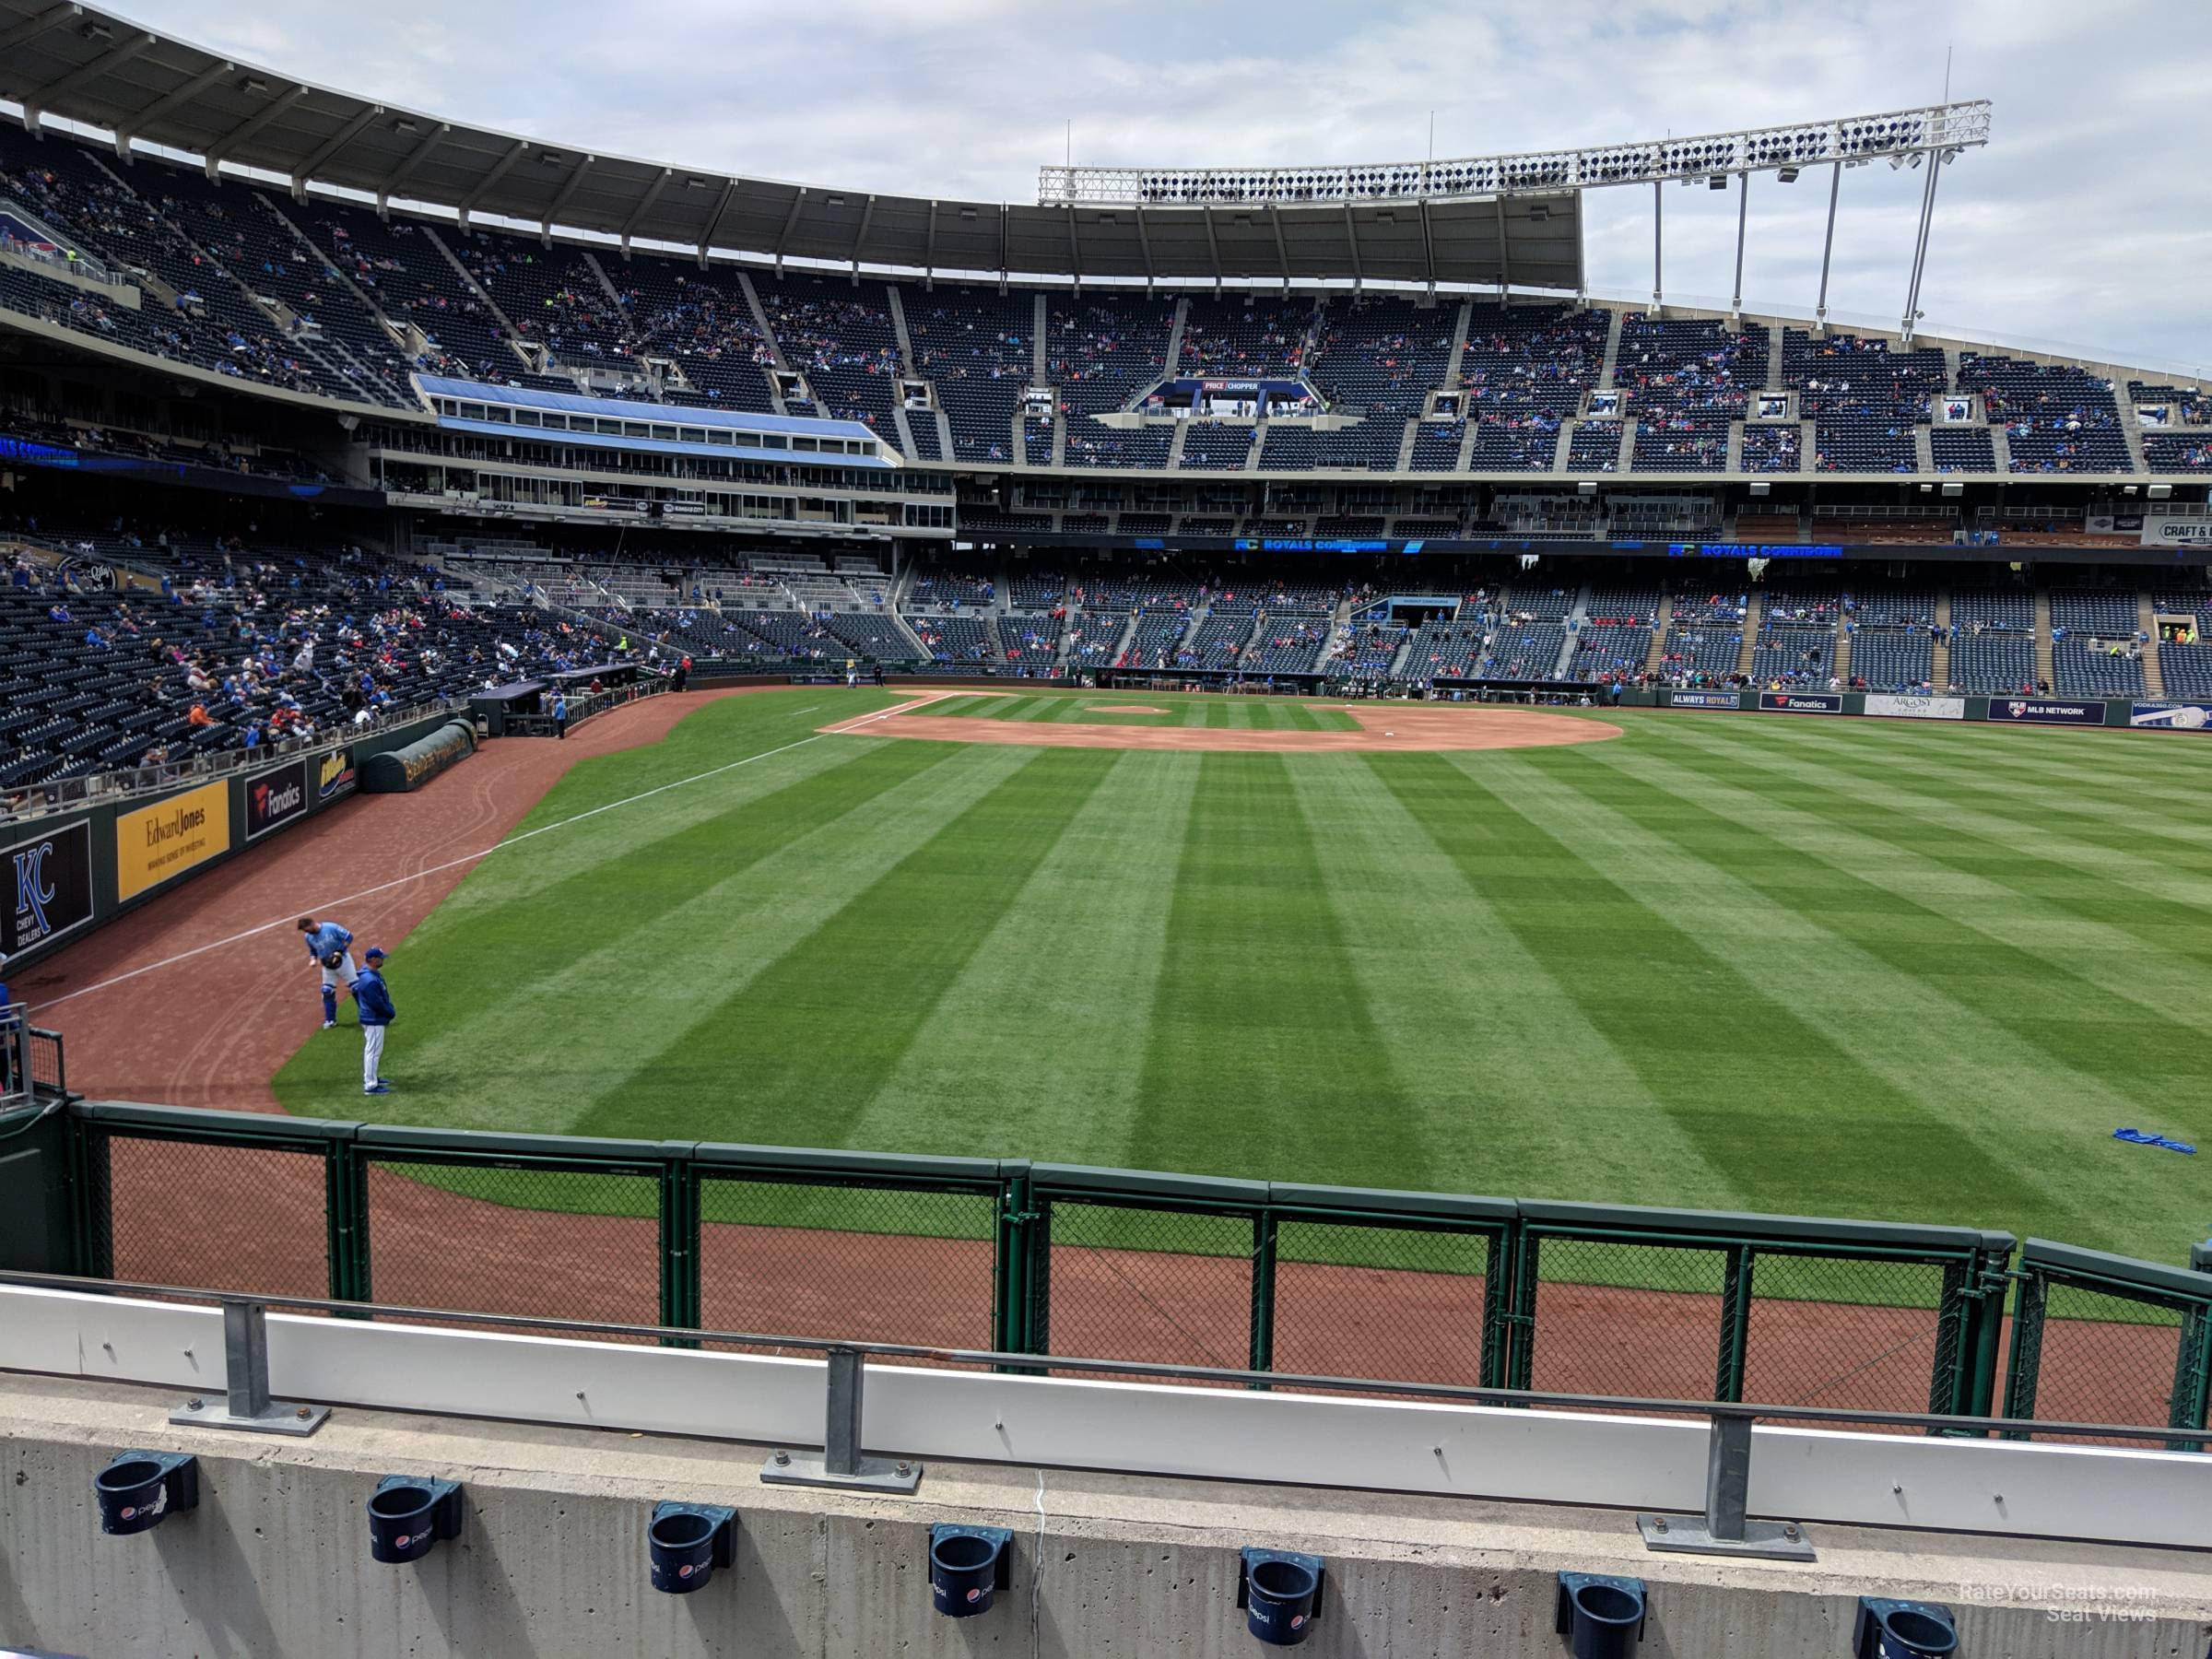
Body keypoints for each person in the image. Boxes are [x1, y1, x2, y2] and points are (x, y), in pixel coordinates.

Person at [296, 916, 357, 1030]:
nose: (306, 932)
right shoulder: (308, 937)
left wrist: (339, 951)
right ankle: (330, 1020)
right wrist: (313, 959)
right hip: (327, 966)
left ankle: (368, 1014)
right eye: (305, 931)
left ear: (312, 923)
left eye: (307, 929)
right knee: (327, 991)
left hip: (343, 961)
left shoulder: (330, 927)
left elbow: (349, 937)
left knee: (356, 988)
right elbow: (313, 950)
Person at [354, 947, 395, 1096]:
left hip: (372, 1017)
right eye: (380, 957)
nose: (382, 959)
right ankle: (371, 1086)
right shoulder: (370, 980)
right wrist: (389, 1012)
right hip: (374, 1019)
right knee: (373, 1052)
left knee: (373, 1050)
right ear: (372, 960)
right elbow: (376, 1003)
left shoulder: (369, 974)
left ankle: (372, 1078)